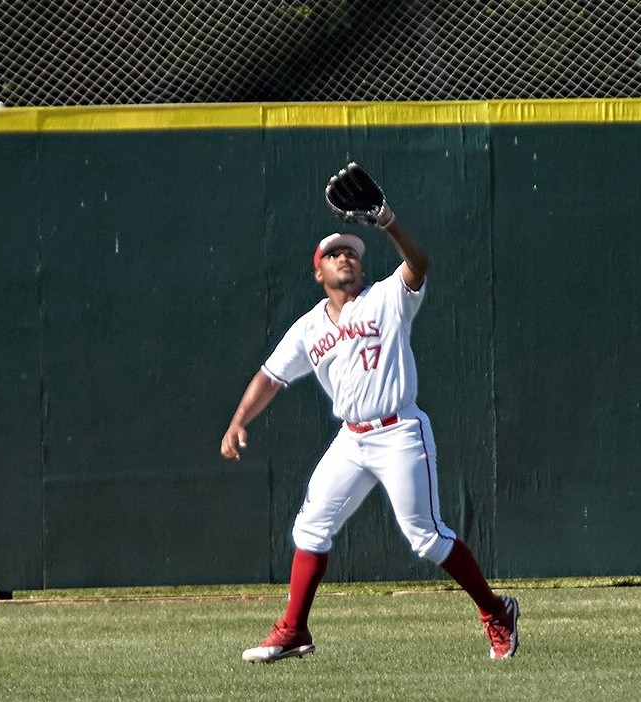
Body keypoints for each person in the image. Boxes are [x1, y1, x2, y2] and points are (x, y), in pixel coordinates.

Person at [219, 194, 518, 663]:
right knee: (311, 527)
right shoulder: (307, 329)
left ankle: (496, 612)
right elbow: (269, 376)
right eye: (335, 255)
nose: (346, 259)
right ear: (319, 273)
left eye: (353, 254)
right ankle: (294, 630)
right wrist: (238, 420)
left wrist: (389, 223)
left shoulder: (385, 298)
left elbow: (419, 264)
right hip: (352, 439)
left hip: (399, 432)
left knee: (426, 537)